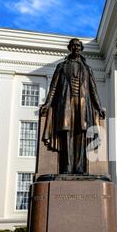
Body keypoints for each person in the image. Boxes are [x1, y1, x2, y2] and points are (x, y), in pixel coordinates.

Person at [41, 38, 106, 174]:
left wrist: (99, 106)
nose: (76, 48)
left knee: (80, 135)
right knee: (66, 134)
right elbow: (53, 87)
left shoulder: (87, 68)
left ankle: (79, 167)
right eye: (74, 45)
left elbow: (93, 89)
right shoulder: (61, 66)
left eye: (78, 46)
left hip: (83, 105)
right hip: (66, 103)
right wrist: (48, 103)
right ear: (69, 48)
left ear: (81, 48)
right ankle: (67, 166)